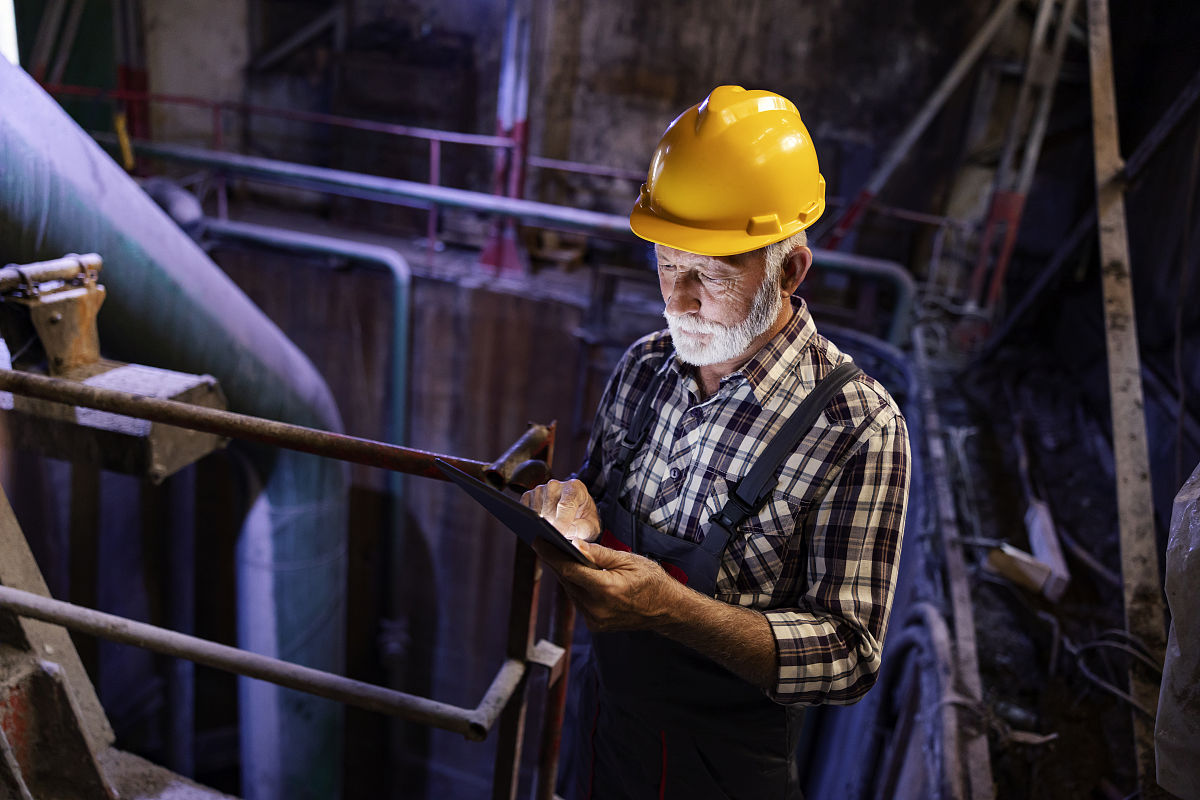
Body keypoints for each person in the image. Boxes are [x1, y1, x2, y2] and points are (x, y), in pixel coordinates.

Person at [522, 85, 911, 800]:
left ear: (790, 272)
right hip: (605, 733)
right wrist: (572, 507)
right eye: (669, 266)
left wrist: (673, 611)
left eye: (712, 274)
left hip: (727, 776)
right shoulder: (644, 366)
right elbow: (599, 485)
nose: (679, 300)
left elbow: (849, 657)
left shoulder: (858, 427)